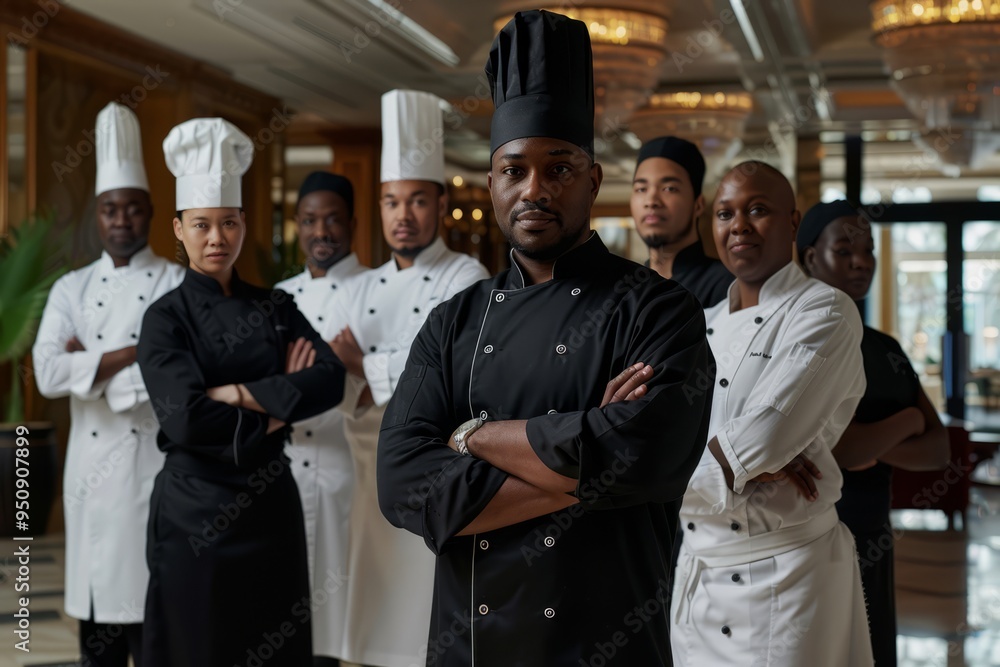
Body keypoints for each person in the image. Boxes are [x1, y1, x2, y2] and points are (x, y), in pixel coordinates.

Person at [376, 11, 713, 665]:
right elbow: (401, 486)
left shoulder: (657, 309)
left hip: (607, 639)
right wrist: (592, 454)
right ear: (492, 183)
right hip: (470, 648)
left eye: (559, 169)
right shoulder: (453, 322)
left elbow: (652, 455)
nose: (535, 189)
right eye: (514, 170)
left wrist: (469, 436)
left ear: (593, 180)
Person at [136, 118, 345, 667]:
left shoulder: (275, 306)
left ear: (244, 224)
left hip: (270, 507)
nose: (217, 238)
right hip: (193, 512)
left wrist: (233, 392)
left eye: (228, 223)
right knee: (196, 648)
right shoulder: (165, 319)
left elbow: (330, 378)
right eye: (201, 225)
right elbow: (184, 418)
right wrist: (279, 406)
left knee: (273, 645)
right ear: (178, 228)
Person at [670, 161, 874, 666]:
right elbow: (643, 429)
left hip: (787, 576)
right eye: (725, 214)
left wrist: (650, 476)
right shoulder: (697, 325)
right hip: (698, 575)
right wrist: (731, 463)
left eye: (758, 210)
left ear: (792, 222)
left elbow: (763, 438)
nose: (739, 225)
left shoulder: (825, 311)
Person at [328, 89, 489, 667]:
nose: (403, 215)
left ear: (440, 204)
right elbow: (336, 375)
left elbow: (447, 369)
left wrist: (363, 363)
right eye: (392, 202)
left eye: (417, 200)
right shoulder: (361, 286)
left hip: (430, 471)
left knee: (426, 628)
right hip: (366, 474)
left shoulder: (466, 275)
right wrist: (368, 369)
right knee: (372, 626)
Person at [32, 102, 183, 667]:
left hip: (150, 474)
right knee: (97, 629)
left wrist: (91, 367)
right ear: (97, 215)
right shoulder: (70, 288)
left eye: (133, 209)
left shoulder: (175, 282)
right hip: (90, 484)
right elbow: (48, 372)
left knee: (152, 624)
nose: (122, 221)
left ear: (150, 213)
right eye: (110, 209)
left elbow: (174, 374)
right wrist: (133, 351)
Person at [797, 199, 949, 667]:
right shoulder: (799, 341)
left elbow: (938, 450)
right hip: (810, 537)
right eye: (844, 251)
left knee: (874, 651)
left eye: (868, 250)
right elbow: (843, 450)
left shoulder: (886, 348)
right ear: (810, 258)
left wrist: (874, 441)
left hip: (873, 535)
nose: (861, 261)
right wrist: (907, 423)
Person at [275, 171, 366, 667]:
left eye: (332, 219)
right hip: (283, 471)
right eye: (309, 220)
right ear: (297, 224)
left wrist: (298, 382)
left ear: (352, 223)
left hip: (346, 472)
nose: (321, 231)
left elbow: (363, 386)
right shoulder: (278, 298)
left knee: (337, 623)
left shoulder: (371, 288)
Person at [630, 135, 732, 307]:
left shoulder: (728, 285)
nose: (651, 201)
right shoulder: (627, 291)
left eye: (669, 188)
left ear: (698, 205)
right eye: (641, 189)